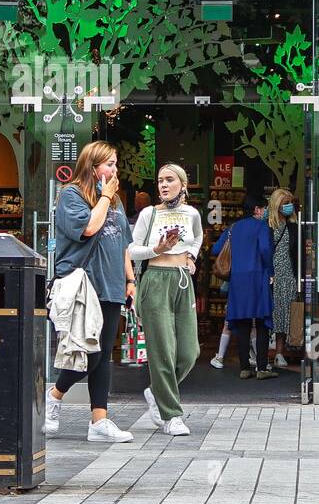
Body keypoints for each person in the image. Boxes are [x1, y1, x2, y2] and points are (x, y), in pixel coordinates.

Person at [43, 140, 136, 443]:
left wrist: (131, 280)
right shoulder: (71, 194)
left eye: (116, 163)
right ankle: (55, 394)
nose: (114, 169)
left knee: (104, 353)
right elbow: (88, 228)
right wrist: (106, 197)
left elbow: (122, 242)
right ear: (93, 166)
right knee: (89, 353)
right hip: (85, 284)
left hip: (111, 285)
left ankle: (99, 420)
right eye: (109, 163)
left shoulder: (115, 201)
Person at [127, 163, 202, 436]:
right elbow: (132, 250)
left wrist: (192, 257)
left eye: (169, 180)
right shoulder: (149, 214)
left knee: (189, 352)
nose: (163, 185)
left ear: (183, 185)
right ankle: (172, 415)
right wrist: (155, 248)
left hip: (183, 282)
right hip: (156, 279)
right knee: (163, 352)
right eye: (160, 181)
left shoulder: (192, 214)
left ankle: (157, 390)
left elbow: (197, 239)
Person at [210, 195, 278, 380]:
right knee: (262, 321)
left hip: (238, 280)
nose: (265, 212)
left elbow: (216, 249)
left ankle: (244, 368)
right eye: (264, 209)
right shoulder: (262, 227)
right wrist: (270, 270)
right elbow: (264, 249)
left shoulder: (233, 228)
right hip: (258, 276)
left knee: (242, 322)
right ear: (257, 209)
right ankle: (262, 368)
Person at [268, 188, 301, 367]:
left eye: (290, 203)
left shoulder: (293, 225)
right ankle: (261, 349)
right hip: (270, 274)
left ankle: (280, 352)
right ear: (276, 204)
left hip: (288, 274)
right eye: (285, 203)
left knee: (284, 313)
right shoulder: (267, 225)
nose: (288, 206)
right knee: (269, 313)